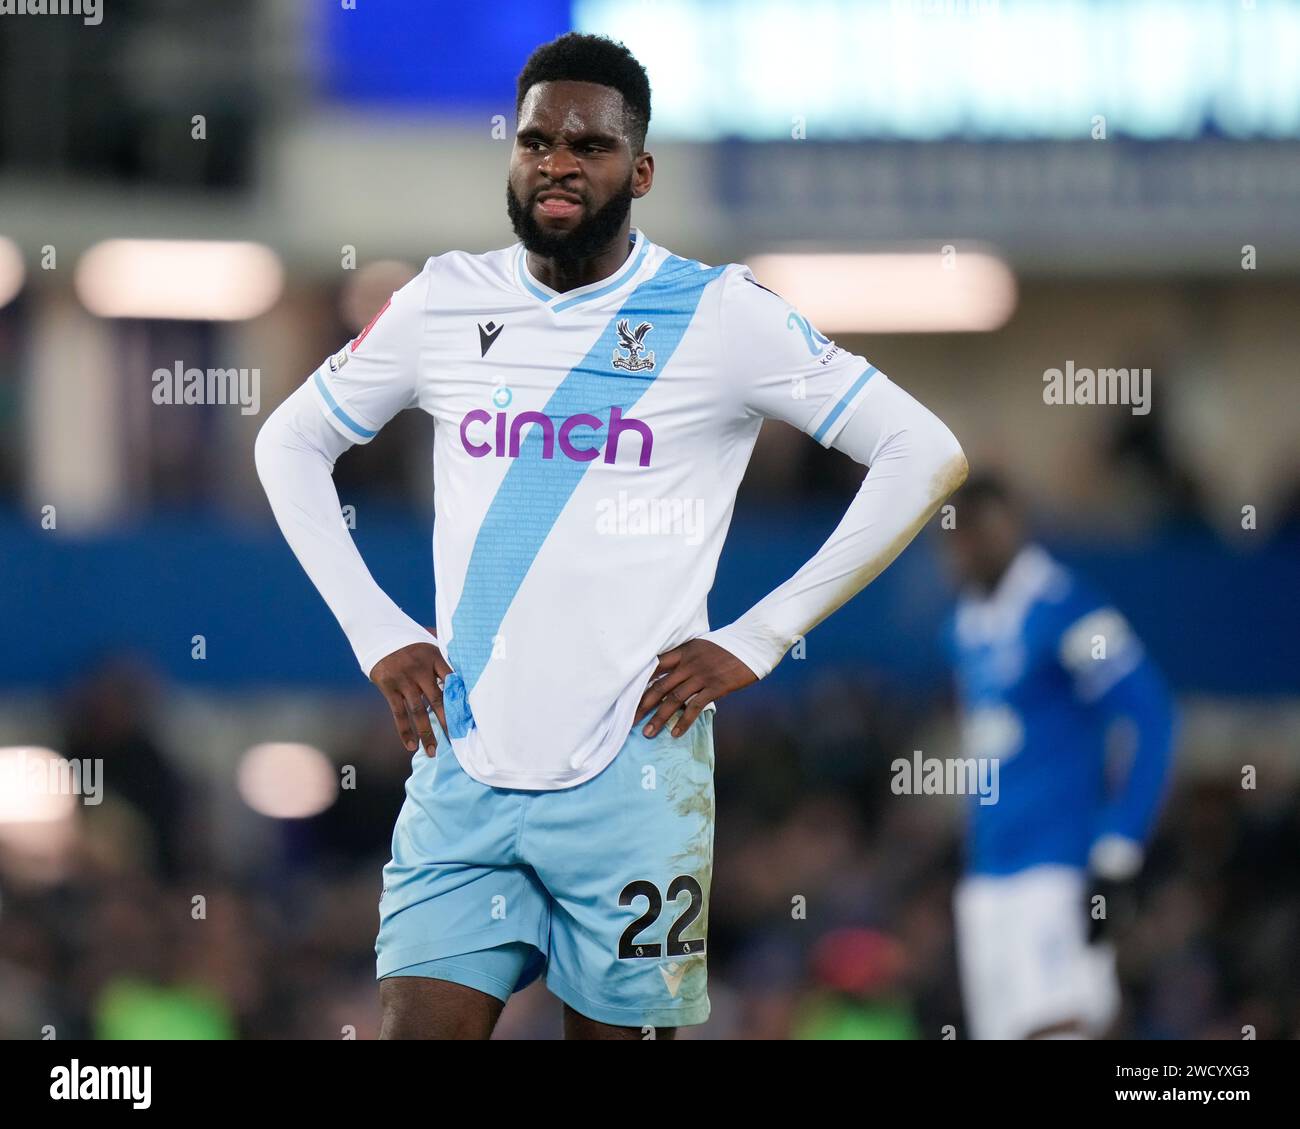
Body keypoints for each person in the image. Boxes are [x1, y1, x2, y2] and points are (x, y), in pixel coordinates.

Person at [255, 32, 967, 1040]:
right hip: (461, 770)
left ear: (638, 170)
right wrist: (375, 627)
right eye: (537, 139)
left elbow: (921, 451)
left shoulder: (718, 316)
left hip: (638, 777)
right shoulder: (444, 301)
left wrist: (757, 636)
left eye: (587, 146)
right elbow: (288, 442)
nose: (556, 162)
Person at [943, 474, 1176, 1039]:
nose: (968, 549)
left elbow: (1151, 715)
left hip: (1056, 870)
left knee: (1059, 1029)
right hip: (988, 874)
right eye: (956, 538)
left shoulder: (1064, 607)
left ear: (1012, 528)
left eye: (981, 533)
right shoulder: (962, 625)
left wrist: (1120, 847)